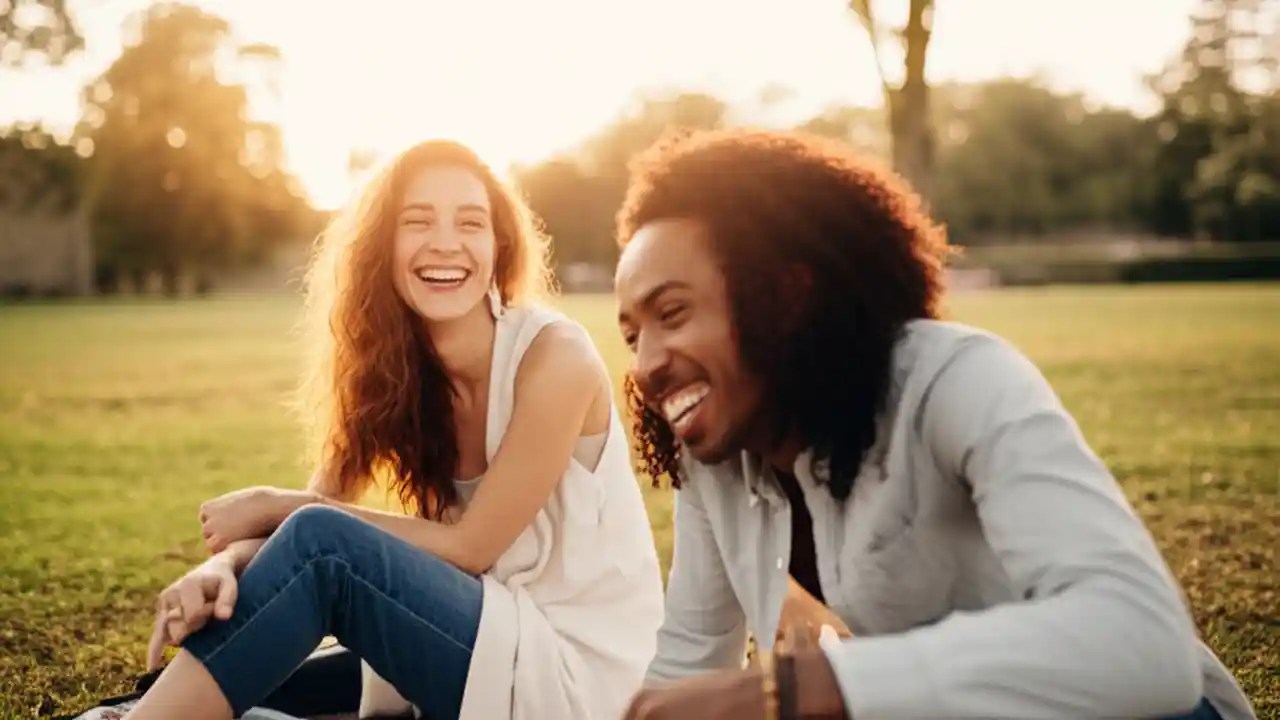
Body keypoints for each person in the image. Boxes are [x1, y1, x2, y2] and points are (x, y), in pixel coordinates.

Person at [612, 129, 1256, 720]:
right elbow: (690, 658)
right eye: (632, 335)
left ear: (784, 295)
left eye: (672, 312)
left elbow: (1143, 644)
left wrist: (815, 686)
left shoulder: (954, 378)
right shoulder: (717, 460)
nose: (645, 365)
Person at [124, 139, 665, 720]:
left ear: (497, 246)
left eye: (470, 223)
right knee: (223, 662)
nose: (446, 243)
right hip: (489, 637)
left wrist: (274, 503)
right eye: (417, 221)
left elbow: (467, 547)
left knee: (315, 559)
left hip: (576, 676)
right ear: (385, 245)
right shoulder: (395, 373)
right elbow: (298, 547)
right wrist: (220, 568)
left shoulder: (556, 356)